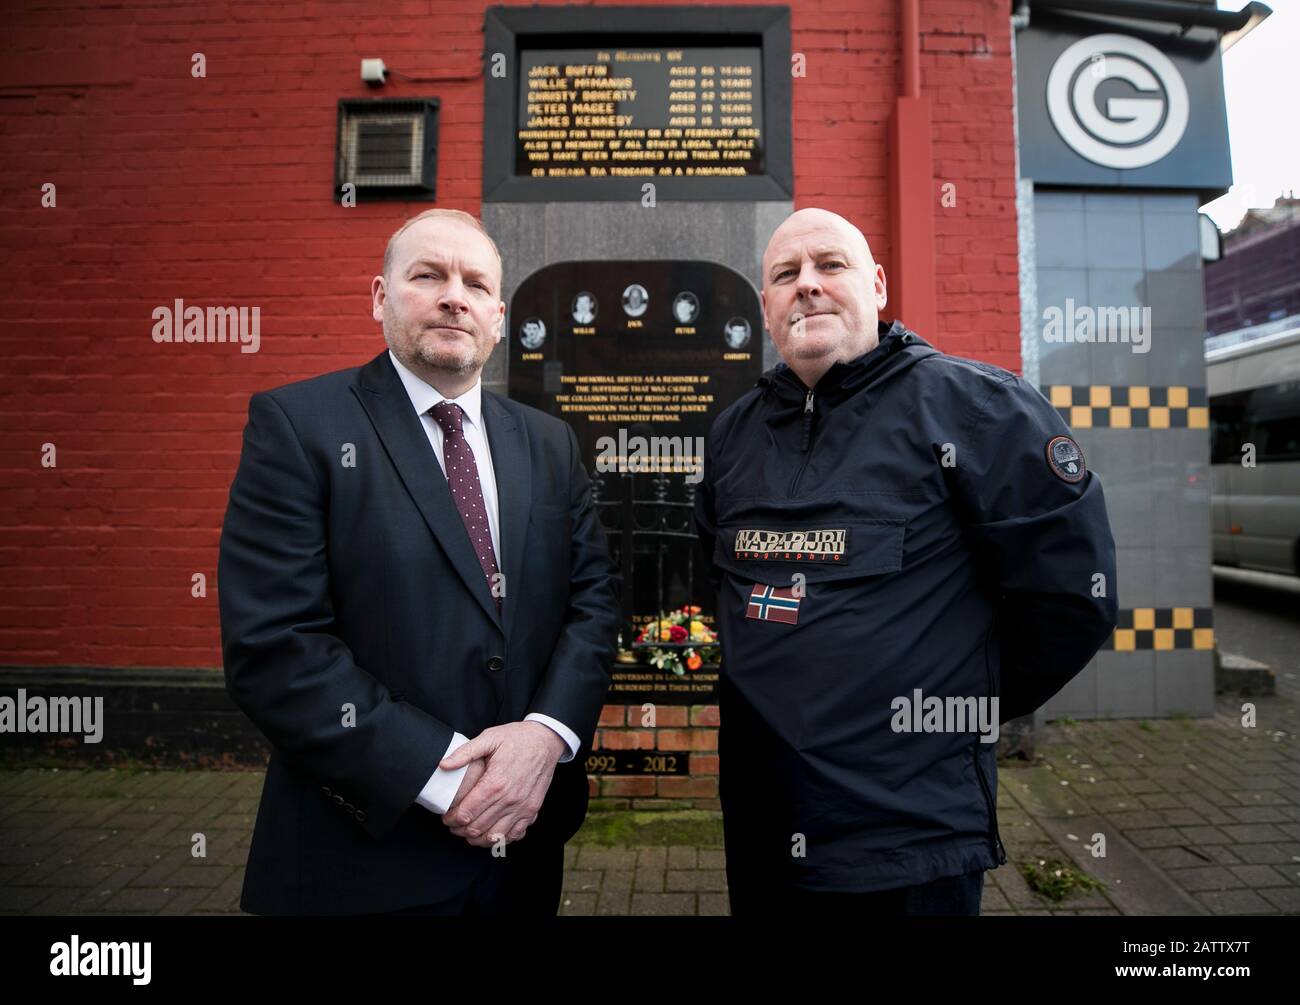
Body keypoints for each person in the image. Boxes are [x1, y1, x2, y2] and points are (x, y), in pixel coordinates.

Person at [694, 208, 1118, 917]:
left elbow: (1070, 600)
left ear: (878, 285)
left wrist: (946, 707)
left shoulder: (980, 410)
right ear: (765, 303)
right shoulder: (734, 432)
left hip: (908, 837)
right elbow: (716, 580)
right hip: (764, 826)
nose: (808, 286)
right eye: (785, 274)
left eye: (831, 265)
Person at [218, 208, 621, 916]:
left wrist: (544, 736)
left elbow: (593, 603)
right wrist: (448, 779)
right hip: (362, 859)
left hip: (523, 852)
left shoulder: (549, 444)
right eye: (428, 275)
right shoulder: (298, 427)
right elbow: (277, 649)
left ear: (497, 315)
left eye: (474, 282)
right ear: (380, 297)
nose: (453, 296)